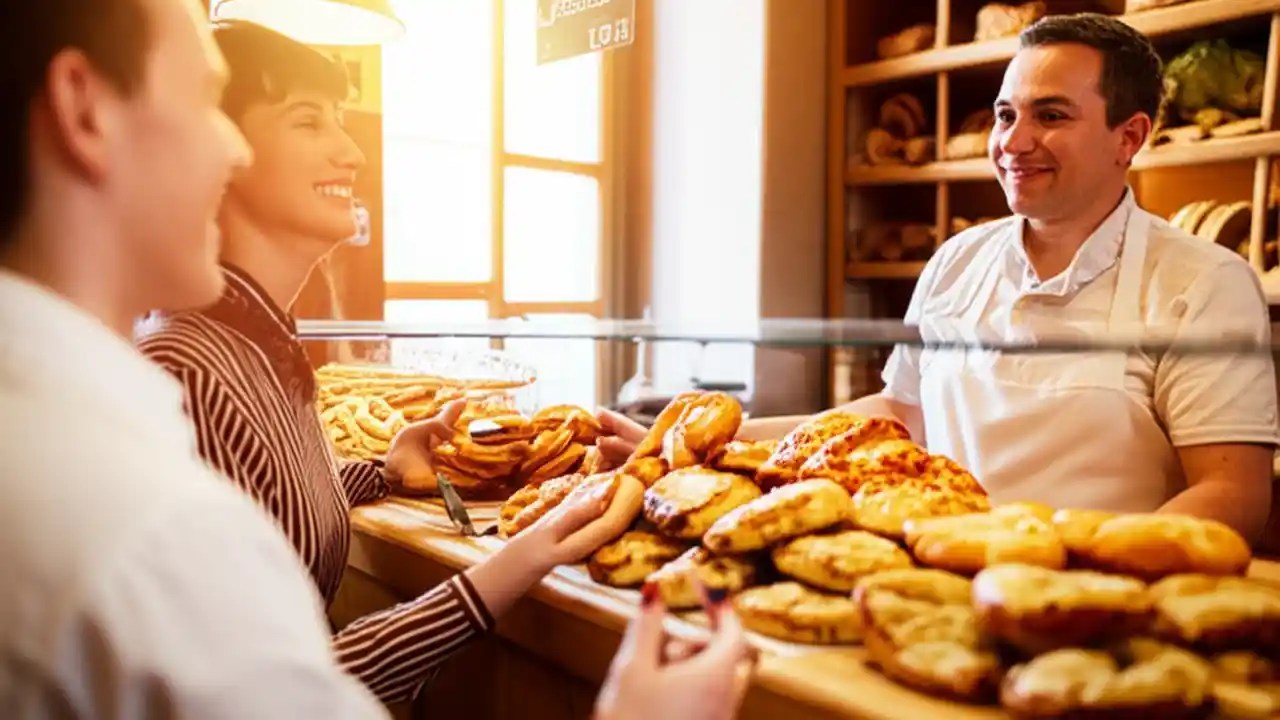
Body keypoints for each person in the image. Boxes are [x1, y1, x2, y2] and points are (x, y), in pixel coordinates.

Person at [0, 1, 752, 716]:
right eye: (205, 98)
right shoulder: (154, 479)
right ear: (84, 108)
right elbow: (300, 681)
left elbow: (271, 531)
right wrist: (522, 569)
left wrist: (379, 475)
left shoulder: (179, 393)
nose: (227, 148)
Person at [602, 13, 1279, 545]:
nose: (1012, 142)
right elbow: (899, 417)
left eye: (1051, 115)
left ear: (1128, 137)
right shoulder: (958, 260)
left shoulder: (1204, 281)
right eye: (1006, 114)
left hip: (1096, 604)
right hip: (933, 572)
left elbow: (1232, 496)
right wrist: (702, 443)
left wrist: (1075, 570)